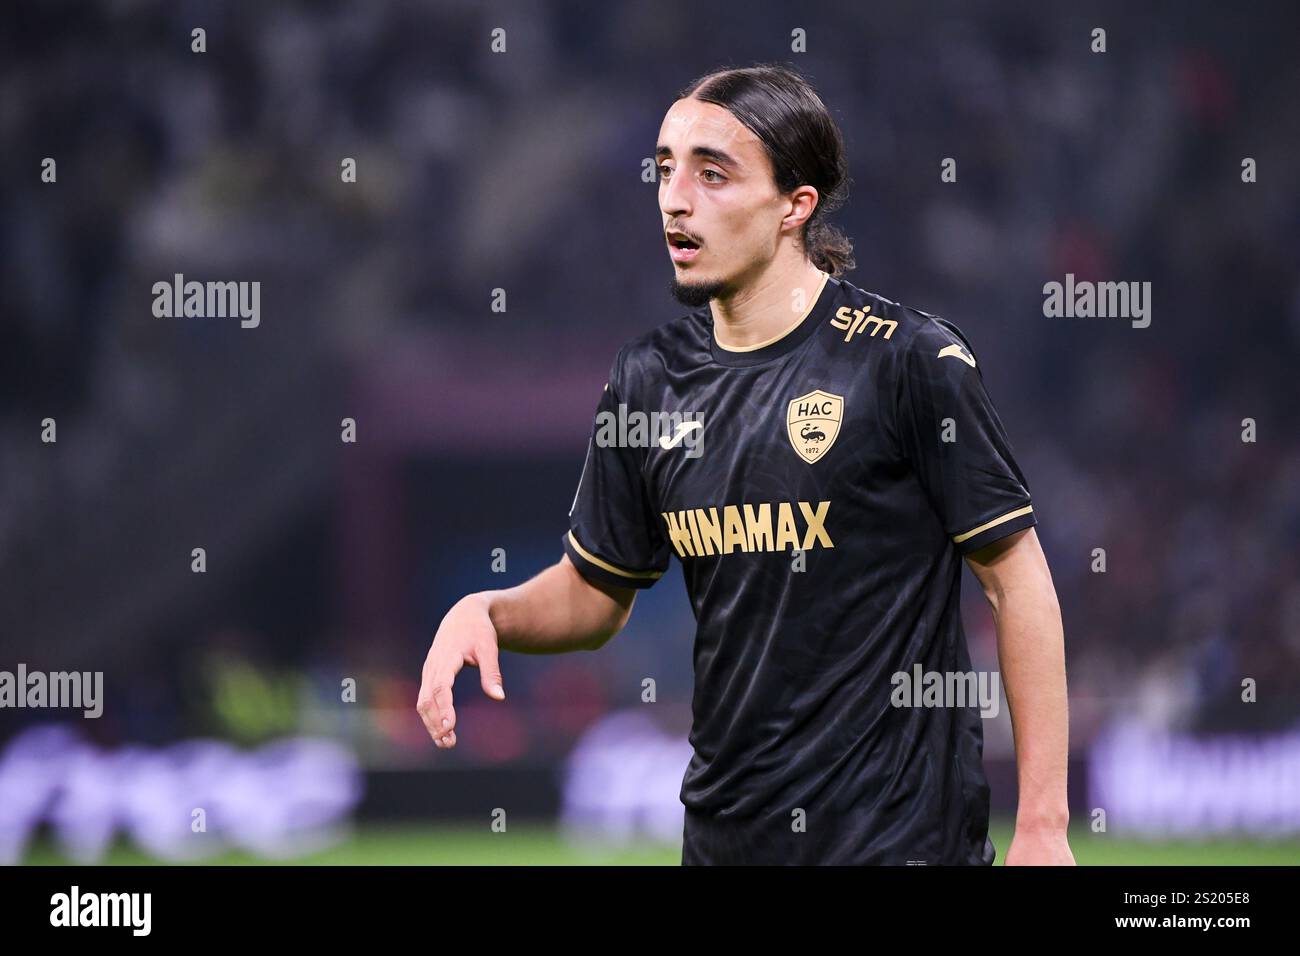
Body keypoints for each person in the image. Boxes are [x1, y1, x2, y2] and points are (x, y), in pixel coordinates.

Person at [418, 63, 1073, 865]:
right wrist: (490, 610)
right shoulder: (647, 381)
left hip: (901, 843)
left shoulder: (909, 363)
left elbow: (1018, 582)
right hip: (726, 843)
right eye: (665, 168)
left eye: (713, 173)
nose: (675, 198)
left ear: (795, 206)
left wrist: (1043, 823)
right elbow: (597, 594)